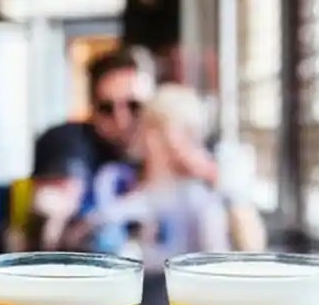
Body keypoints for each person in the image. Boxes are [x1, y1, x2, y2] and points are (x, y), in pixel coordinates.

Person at [72, 85, 229, 270]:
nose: (154, 141)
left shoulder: (199, 202)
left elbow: (216, 263)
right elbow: (81, 238)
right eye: (150, 128)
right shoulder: (113, 179)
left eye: (164, 133)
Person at [28, 51, 154, 251]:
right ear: (92, 108)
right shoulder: (69, 140)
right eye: (107, 108)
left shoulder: (167, 151)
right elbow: (57, 197)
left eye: (134, 106)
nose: (122, 120)